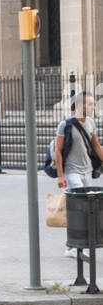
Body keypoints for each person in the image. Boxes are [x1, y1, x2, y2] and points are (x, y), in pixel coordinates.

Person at [55, 92, 103, 259]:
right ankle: (72, 246)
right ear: (81, 105)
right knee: (80, 206)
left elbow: (97, 147)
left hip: (87, 170)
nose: (93, 107)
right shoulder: (65, 124)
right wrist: (61, 176)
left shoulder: (90, 123)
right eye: (90, 104)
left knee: (86, 207)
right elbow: (58, 151)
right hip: (72, 171)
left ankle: (80, 243)